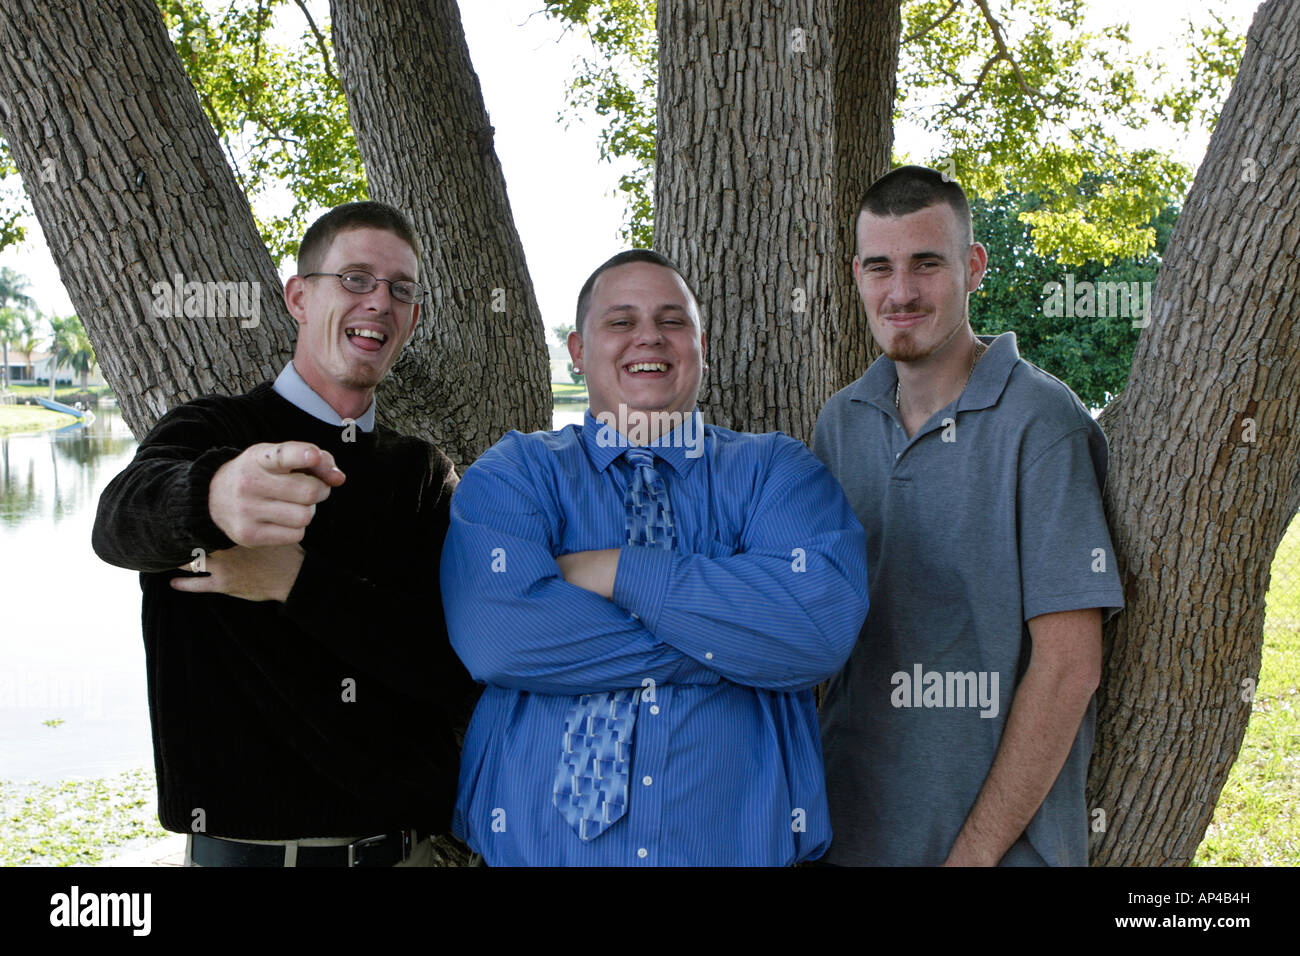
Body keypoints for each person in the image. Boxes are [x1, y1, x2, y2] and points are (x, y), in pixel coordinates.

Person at [441, 249, 869, 866]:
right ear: (578, 350)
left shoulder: (776, 471)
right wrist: (738, 642)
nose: (649, 336)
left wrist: (619, 571)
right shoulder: (517, 474)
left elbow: (818, 628)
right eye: (620, 321)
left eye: (672, 321)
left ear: (701, 344)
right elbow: (498, 638)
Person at [93, 201, 473, 867]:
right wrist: (212, 496)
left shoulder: (419, 475)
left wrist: (292, 581)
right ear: (299, 297)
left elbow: (450, 663)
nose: (379, 302)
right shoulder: (212, 433)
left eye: (401, 289)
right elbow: (119, 522)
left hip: (402, 853)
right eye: (355, 278)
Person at [813, 165, 1125, 866]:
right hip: (848, 830)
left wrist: (974, 856)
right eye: (880, 267)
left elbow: (1069, 665)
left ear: (973, 266)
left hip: (996, 850)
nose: (900, 292)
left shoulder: (1041, 422)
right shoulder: (841, 421)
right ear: (855, 274)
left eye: (927, 264)